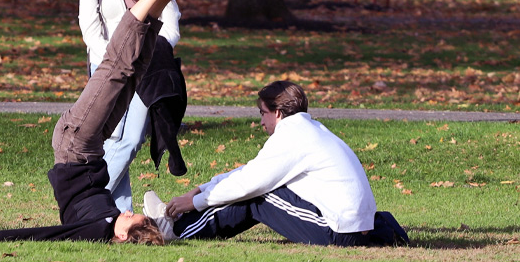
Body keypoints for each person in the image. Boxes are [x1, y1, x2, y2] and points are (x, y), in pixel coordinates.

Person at [0, 0, 198, 245]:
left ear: (122, 235)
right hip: (92, 149)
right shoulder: (112, 225)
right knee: (135, 73)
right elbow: (149, 234)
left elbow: (46, 234)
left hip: (75, 145)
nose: (126, 211)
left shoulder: (95, 231)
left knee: (115, 68)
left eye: (129, 217)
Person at [144, 81, 409, 246]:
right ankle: (179, 220)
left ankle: (177, 229)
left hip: (340, 232)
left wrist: (195, 202)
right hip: (354, 228)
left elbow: (250, 184)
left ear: (278, 113)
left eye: (263, 113)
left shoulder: (293, 135)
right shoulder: (308, 129)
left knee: (258, 197)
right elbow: (251, 171)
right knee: (256, 188)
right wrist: (200, 190)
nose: (261, 121)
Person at [78, 0, 183, 212]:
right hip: (106, 66)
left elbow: (171, 26)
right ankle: (118, 212)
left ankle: (87, 201)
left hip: (146, 68)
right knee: (111, 137)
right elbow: (90, 30)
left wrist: (148, 52)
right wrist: (115, 60)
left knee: (132, 137)